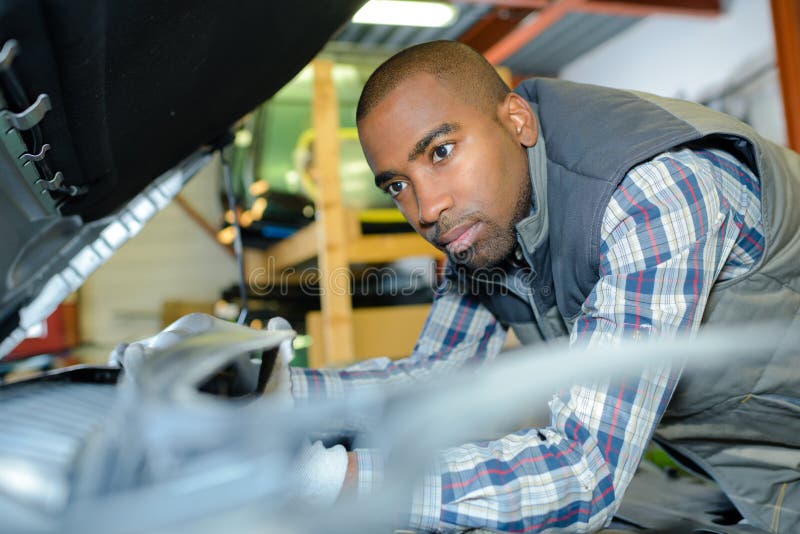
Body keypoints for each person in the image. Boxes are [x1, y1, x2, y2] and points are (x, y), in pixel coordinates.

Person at [121, 40, 799, 532]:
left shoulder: (653, 193)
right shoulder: (484, 225)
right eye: (398, 185)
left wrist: (332, 482)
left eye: (440, 152)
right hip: (753, 468)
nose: (426, 208)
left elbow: (581, 474)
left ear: (516, 120)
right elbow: (435, 376)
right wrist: (267, 390)